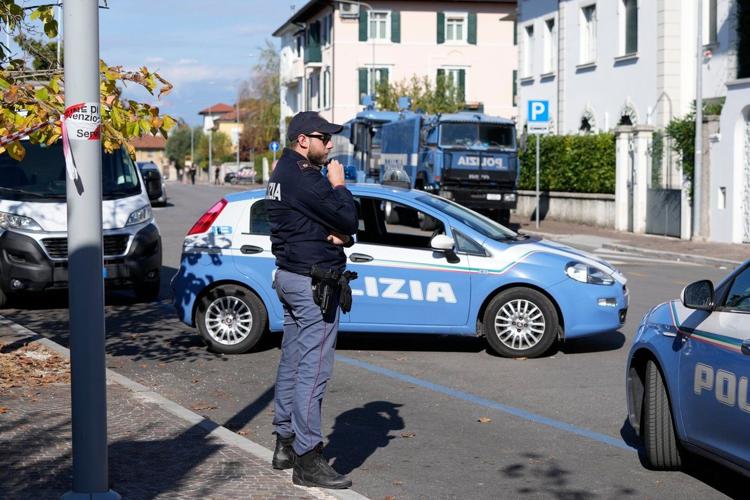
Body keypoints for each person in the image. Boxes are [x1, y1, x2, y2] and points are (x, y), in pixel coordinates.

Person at [266, 111, 358, 489]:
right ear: (303, 139)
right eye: (325, 137)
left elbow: (330, 228)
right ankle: (307, 458)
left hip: (290, 276)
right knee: (313, 370)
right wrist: (339, 186)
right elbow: (348, 219)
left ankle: (284, 442)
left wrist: (340, 236)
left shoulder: (282, 172)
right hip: (312, 283)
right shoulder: (307, 179)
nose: (331, 144)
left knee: (292, 361)